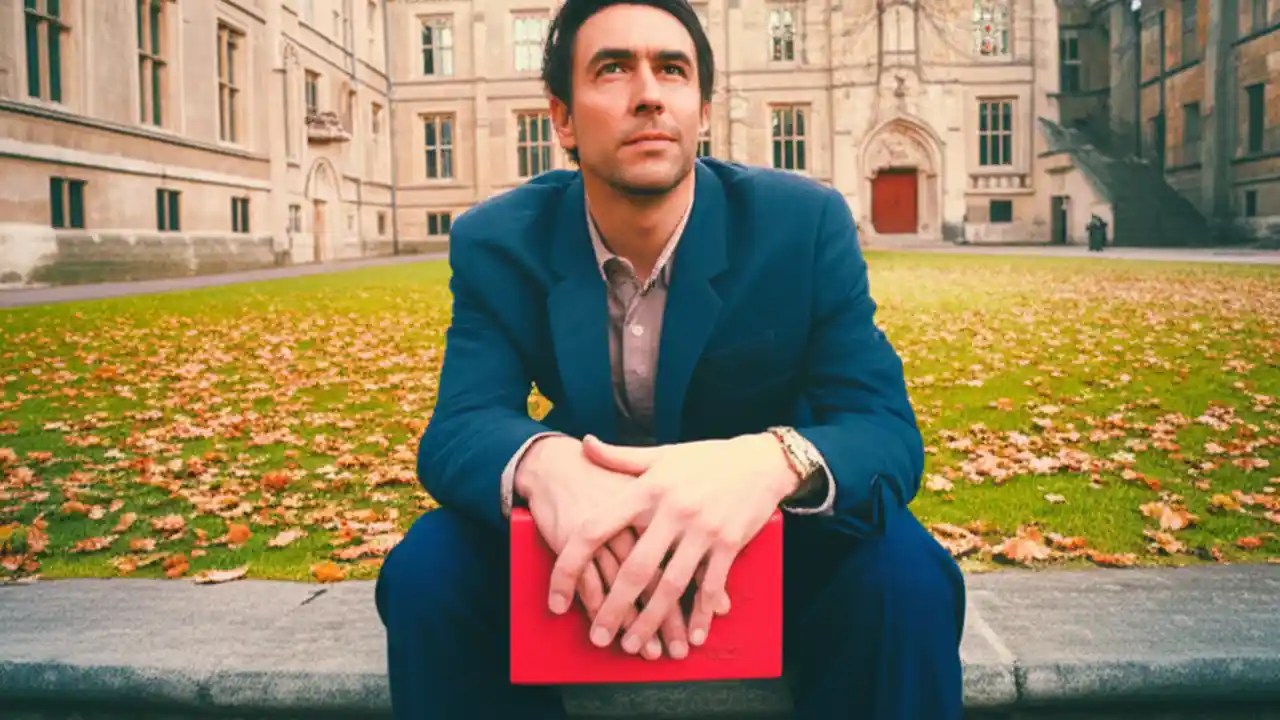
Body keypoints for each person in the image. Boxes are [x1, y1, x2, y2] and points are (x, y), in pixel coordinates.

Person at [374, 0, 965, 717]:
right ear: (561, 118)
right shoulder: (498, 241)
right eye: (614, 67)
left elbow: (884, 430)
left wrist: (769, 461)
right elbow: (461, 422)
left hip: (768, 533)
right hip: (587, 542)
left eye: (672, 69)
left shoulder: (801, 226)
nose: (648, 91)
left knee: (908, 579)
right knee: (425, 575)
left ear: (703, 110)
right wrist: (541, 461)